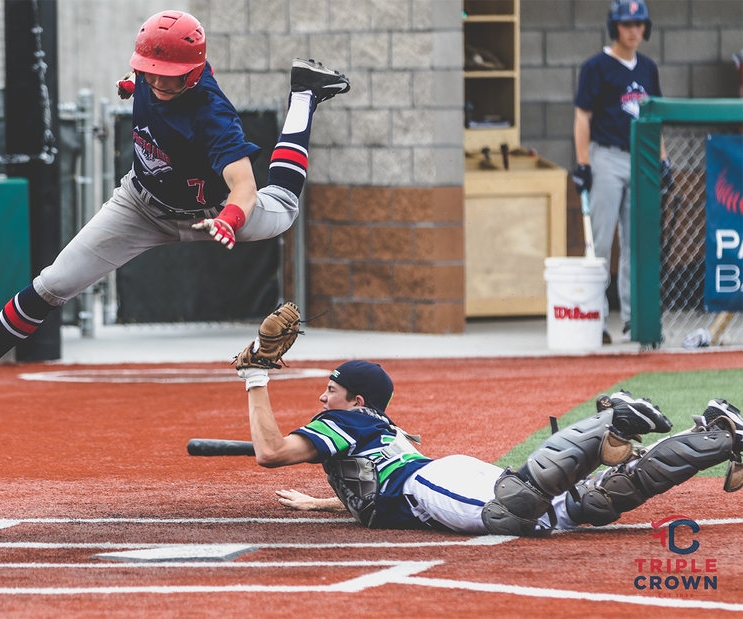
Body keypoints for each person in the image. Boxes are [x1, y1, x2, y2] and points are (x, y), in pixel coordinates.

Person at [0, 10, 349, 414]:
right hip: (139, 205)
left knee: (284, 207)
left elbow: (245, 187)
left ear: (193, 72)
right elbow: (146, 73)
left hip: (211, 214)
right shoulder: (149, 74)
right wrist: (132, 81)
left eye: (168, 75)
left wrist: (230, 220)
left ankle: (304, 93)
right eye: (149, 70)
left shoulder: (213, 115)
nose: (156, 81)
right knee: (52, 284)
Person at [236, 356, 742, 534]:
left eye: (331, 389)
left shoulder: (344, 418)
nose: (322, 397)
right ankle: (721, 436)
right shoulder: (373, 427)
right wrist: (324, 502)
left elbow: (270, 453)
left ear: (357, 399)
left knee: (511, 510)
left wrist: (255, 378)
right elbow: (368, 481)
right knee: (593, 503)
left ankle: (611, 421)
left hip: (424, 485)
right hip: (440, 477)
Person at [571, 0, 669, 344]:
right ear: (614, 27)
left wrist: (662, 159)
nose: (634, 31)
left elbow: (653, 117)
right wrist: (583, 162)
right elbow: (582, 116)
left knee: (636, 243)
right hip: (607, 158)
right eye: (627, 24)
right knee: (600, 242)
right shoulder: (596, 67)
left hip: (640, 159)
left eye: (639, 24)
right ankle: (595, 319)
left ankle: (633, 319)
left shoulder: (649, 68)